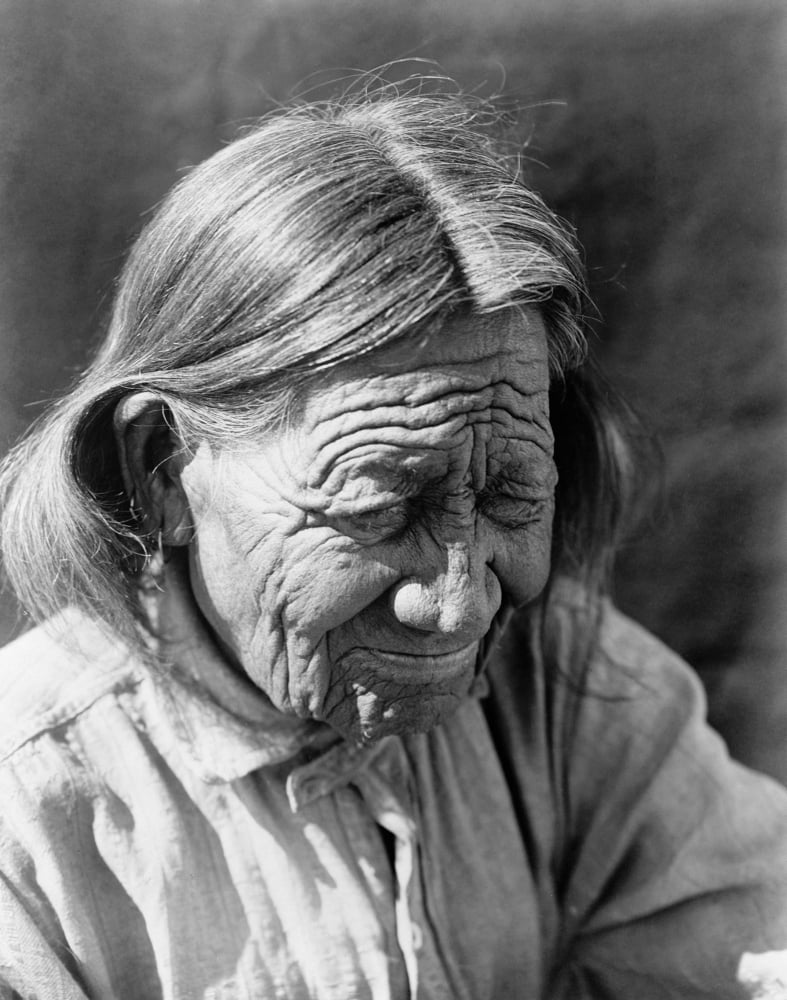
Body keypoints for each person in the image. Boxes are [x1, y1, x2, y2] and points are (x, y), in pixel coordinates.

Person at [0, 86, 785, 1000]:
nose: (461, 604)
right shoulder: (27, 815)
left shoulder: (562, 684)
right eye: (379, 510)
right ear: (161, 469)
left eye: (510, 495)